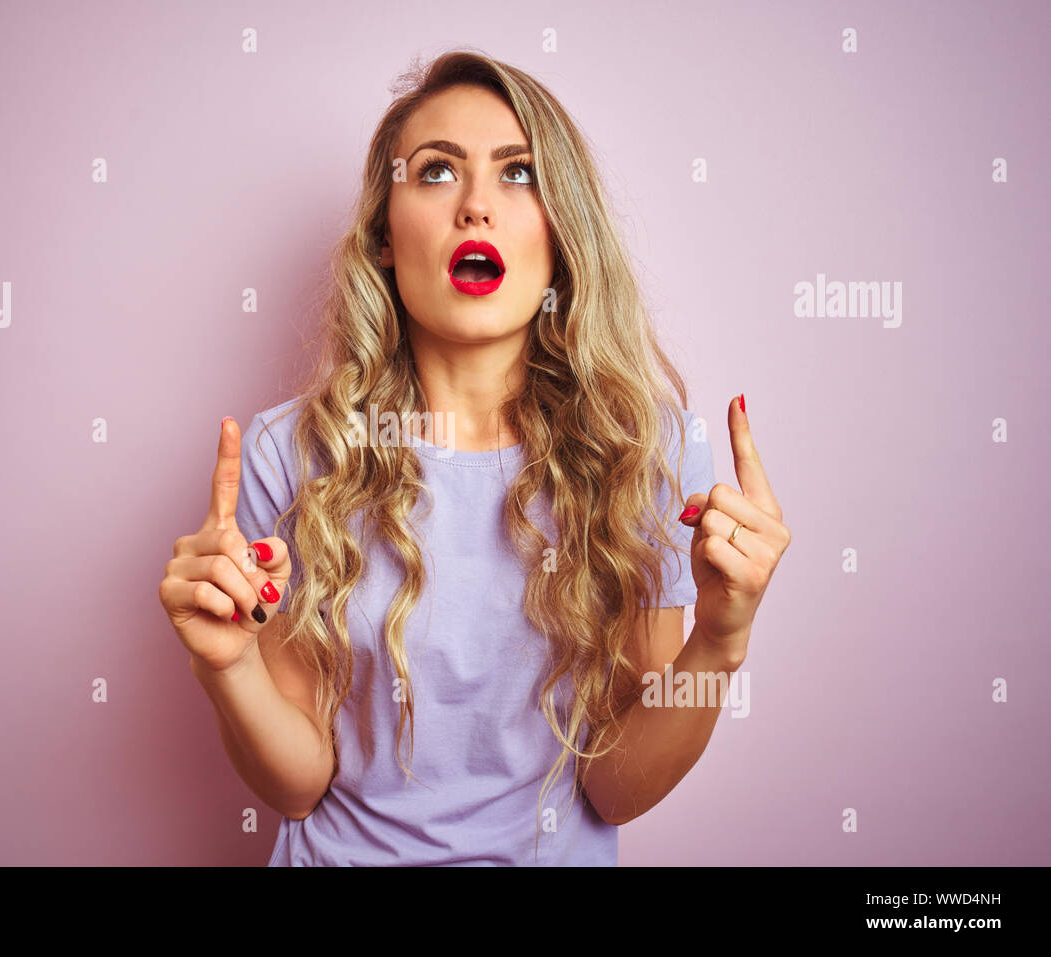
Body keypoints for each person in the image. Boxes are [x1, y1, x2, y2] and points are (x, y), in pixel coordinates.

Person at [159, 50, 790, 866]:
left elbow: (615, 789)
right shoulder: (294, 453)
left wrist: (720, 640)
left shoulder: (651, 456)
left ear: (561, 230)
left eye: (519, 174)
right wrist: (230, 665)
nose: (477, 207)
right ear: (385, 237)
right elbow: (297, 784)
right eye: (435, 173)